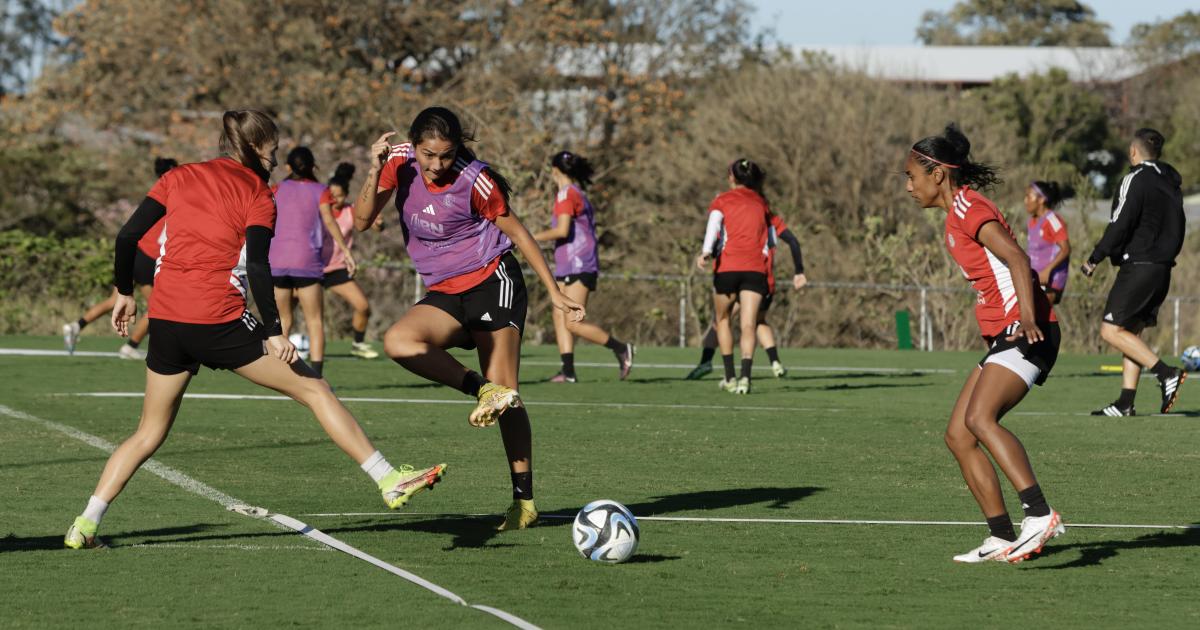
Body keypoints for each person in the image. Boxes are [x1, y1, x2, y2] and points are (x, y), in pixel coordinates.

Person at [64, 111, 444, 549]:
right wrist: (274, 330)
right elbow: (260, 266)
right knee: (315, 389)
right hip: (218, 318)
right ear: (254, 148)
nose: (276, 159)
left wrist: (125, 292)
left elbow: (127, 236)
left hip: (166, 319)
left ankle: (86, 524)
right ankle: (388, 479)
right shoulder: (258, 193)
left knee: (147, 433)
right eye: (272, 150)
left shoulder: (179, 176)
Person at [353, 106, 585, 531]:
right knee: (398, 341)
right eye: (429, 155)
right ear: (414, 145)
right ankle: (482, 389)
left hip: (493, 280)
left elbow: (519, 233)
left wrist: (555, 293)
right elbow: (362, 220)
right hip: (445, 290)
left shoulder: (475, 179)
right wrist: (373, 168)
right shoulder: (398, 161)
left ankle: (524, 501)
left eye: (446, 155)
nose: (437, 165)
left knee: (509, 395)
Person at [905, 123, 1063, 564]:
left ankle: (1040, 514)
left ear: (937, 174)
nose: (909, 186)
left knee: (980, 418)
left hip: (1028, 329)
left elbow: (1017, 258)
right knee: (958, 435)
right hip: (1007, 333)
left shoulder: (969, 208)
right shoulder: (955, 214)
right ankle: (1001, 535)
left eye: (912, 176)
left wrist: (1027, 317)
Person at [1084, 128, 1187, 417]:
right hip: (1162, 268)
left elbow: (1120, 222)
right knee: (1130, 333)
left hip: (1140, 265)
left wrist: (1095, 257)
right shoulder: (1169, 182)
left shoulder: (1136, 178)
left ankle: (1166, 373)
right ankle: (1125, 403)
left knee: (1110, 330)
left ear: (1133, 151)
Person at [532, 151, 633, 383]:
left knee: (572, 322)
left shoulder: (567, 194)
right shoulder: (572, 192)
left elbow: (562, 231)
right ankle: (568, 371)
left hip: (579, 263)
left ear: (554, 171)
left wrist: (528, 238)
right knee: (559, 314)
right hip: (568, 263)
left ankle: (621, 348)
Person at [63, 157, 177, 358]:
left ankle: (76, 325)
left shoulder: (156, 195)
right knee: (157, 307)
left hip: (134, 254)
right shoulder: (173, 198)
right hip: (148, 257)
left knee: (115, 299)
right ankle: (130, 347)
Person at [687, 211, 806, 380]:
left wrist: (708, 253)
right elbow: (793, 241)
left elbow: (720, 246)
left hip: (745, 277)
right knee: (758, 321)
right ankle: (775, 362)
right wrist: (799, 271)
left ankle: (712, 365)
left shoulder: (738, 218)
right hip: (767, 281)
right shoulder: (770, 218)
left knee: (722, 320)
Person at [694, 159, 772, 394]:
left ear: (731, 177)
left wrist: (706, 252)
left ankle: (730, 377)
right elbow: (769, 239)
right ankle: (745, 378)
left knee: (723, 320)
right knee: (749, 324)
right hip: (755, 268)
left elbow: (713, 226)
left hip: (728, 266)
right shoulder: (761, 202)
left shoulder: (722, 200)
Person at [269, 147, 332, 376]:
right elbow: (329, 222)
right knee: (314, 321)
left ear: (287, 167)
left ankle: (279, 373)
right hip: (307, 262)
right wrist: (346, 251)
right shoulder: (321, 190)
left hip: (277, 262)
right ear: (313, 166)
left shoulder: (276, 189)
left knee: (283, 321)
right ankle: (317, 375)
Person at [319, 162, 380, 360]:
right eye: (331, 195)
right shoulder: (318, 210)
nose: (334, 199)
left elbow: (372, 222)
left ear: (346, 195)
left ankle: (358, 345)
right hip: (312, 268)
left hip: (337, 269)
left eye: (339, 196)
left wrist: (378, 223)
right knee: (288, 307)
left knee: (362, 306)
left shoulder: (350, 211)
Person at [1024, 180, 1074, 305]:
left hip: (1050, 281)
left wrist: (1047, 271)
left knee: (1038, 314)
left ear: (1041, 199)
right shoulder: (1032, 221)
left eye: (1029, 196)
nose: (1025, 200)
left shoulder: (1052, 220)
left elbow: (1066, 249)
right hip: (1035, 278)